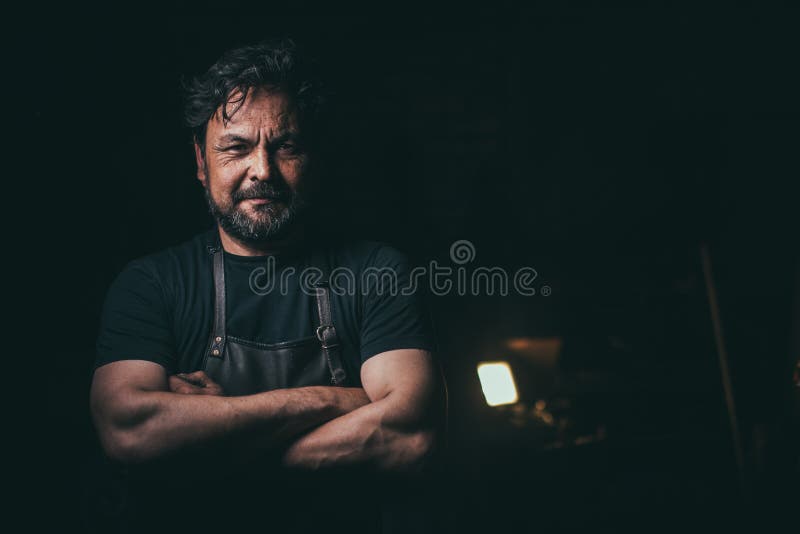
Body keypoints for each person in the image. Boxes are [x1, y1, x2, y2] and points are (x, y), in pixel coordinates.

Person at [89, 39, 445, 533]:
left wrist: (198, 453)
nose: (262, 170)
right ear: (200, 161)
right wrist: (329, 401)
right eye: (235, 147)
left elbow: (411, 435)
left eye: (286, 147)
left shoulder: (376, 272)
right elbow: (128, 429)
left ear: (314, 157)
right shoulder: (151, 284)